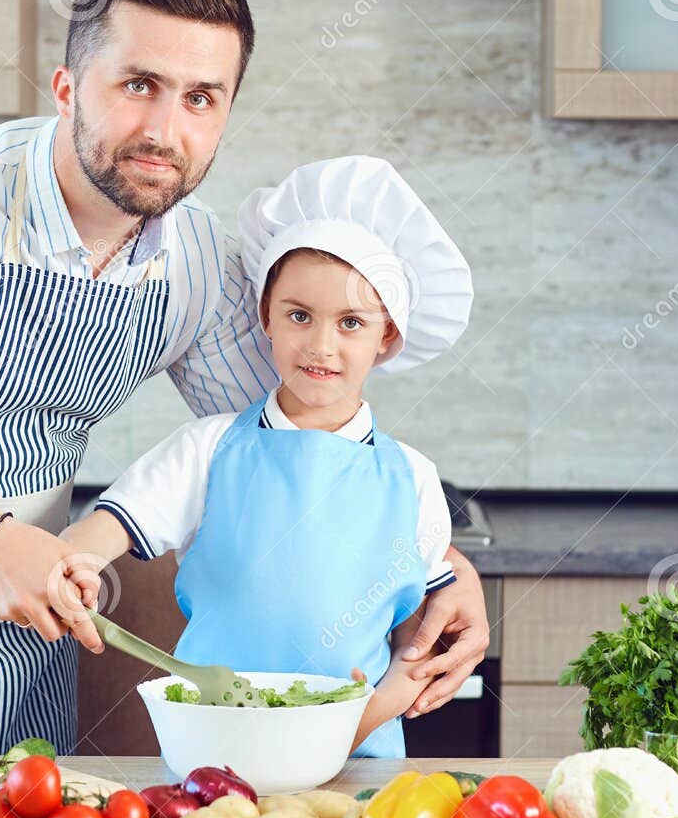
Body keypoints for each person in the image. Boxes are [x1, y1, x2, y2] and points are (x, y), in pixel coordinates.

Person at [0, 0, 491, 755]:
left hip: (31, 617)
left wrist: (444, 566)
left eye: (201, 98)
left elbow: (284, 445)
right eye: (138, 85)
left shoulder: (196, 262)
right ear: (67, 88)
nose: (166, 131)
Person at [57, 156, 471, 756]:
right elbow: (97, 537)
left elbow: (420, 637)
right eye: (299, 315)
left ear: (387, 336)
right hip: (215, 745)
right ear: (265, 317)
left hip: (361, 754)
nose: (322, 345)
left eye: (351, 322)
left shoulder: (412, 477)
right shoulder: (206, 449)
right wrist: (67, 568)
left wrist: (365, 718)